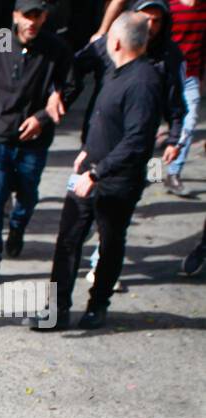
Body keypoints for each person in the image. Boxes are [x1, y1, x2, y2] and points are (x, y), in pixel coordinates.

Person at [38, 12, 162, 331]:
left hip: (116, 181)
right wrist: (87, 151)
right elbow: (107, 120)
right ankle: (56, 309)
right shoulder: (115, 71)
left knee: (109, 242)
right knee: (68, 239)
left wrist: (97, 172)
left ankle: (97, 305)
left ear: (116, 42)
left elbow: (137, 140)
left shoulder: (144, 82)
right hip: (90, 169)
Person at [64, 0, 184, 286]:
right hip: (94, 141)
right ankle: (59, 300)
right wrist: (58, 97)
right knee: (72, 229)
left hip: (129, 155)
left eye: (157, 21)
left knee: (113, 226)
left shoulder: (165, 60)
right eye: (145, 19)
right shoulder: (109, 47)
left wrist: (175, 137)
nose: (150, 27)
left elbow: (175, 104)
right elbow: (74, 68)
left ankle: (100, 276)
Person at [0, 0, 73, 283]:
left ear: (45, 16)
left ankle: (17, 228)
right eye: (27, 16)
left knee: (27, 196)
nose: (32, 22)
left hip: (33, 140)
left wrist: (43, 118)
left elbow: (70, 87)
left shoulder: (55, 49)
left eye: (37, 16)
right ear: (15, 16)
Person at [96, 0, 205, 196]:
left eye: (156, 21)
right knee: (148, 131)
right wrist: (103, 32)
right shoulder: (169, 6)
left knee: (188, 122)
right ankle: (152, 174)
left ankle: (173, 173)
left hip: (187, 74)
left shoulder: (201, 10)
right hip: (154, 74)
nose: (152, 25)